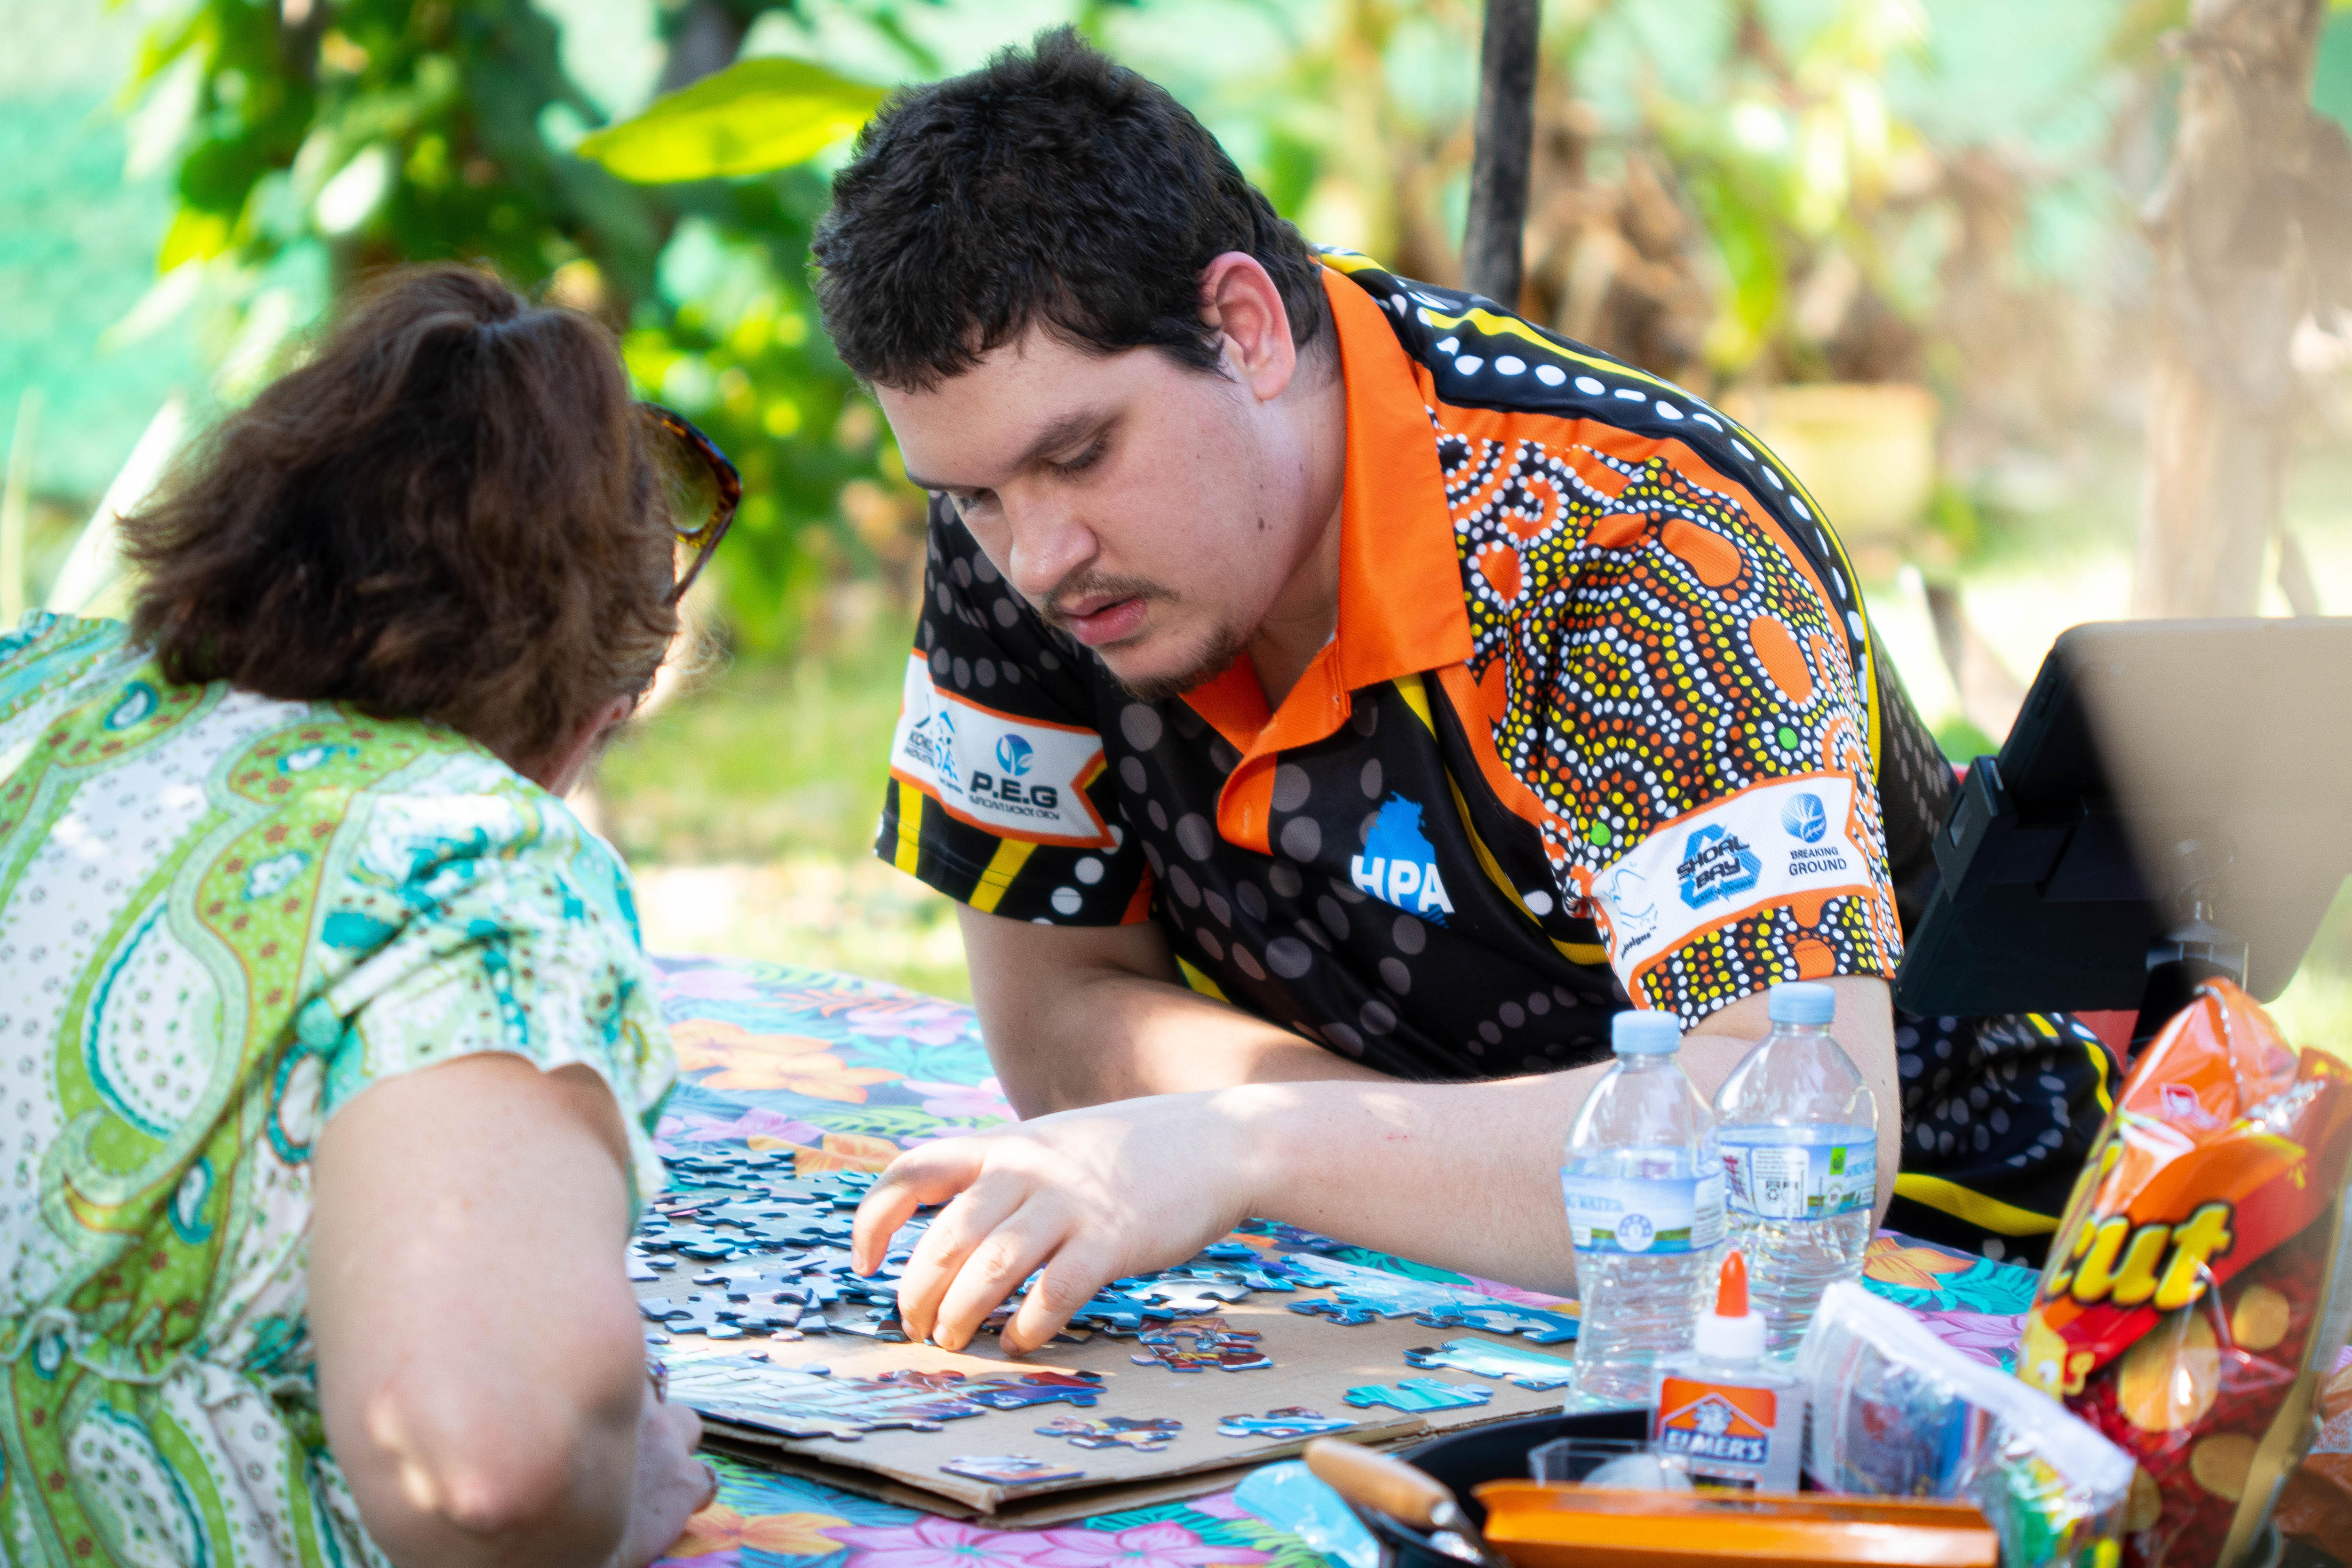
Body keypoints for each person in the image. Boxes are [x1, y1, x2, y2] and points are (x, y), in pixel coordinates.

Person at [814, 29, 2118, 1352]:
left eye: (1085, 453)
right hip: (1424, 1297)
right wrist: (1306, 1155)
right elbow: (1054, 1016)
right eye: (970, 495)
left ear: (1245, 329)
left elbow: (1793, 1155)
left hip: (1951, 1292)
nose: (1035, 559)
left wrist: (1251, 1145)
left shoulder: (1637, 552)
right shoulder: (1035, 532)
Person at [0, 265, 729, 1567]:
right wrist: (614, 1513)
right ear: (585, 705)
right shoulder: (469, 855)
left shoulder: (34, 695)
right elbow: (489, 1471)